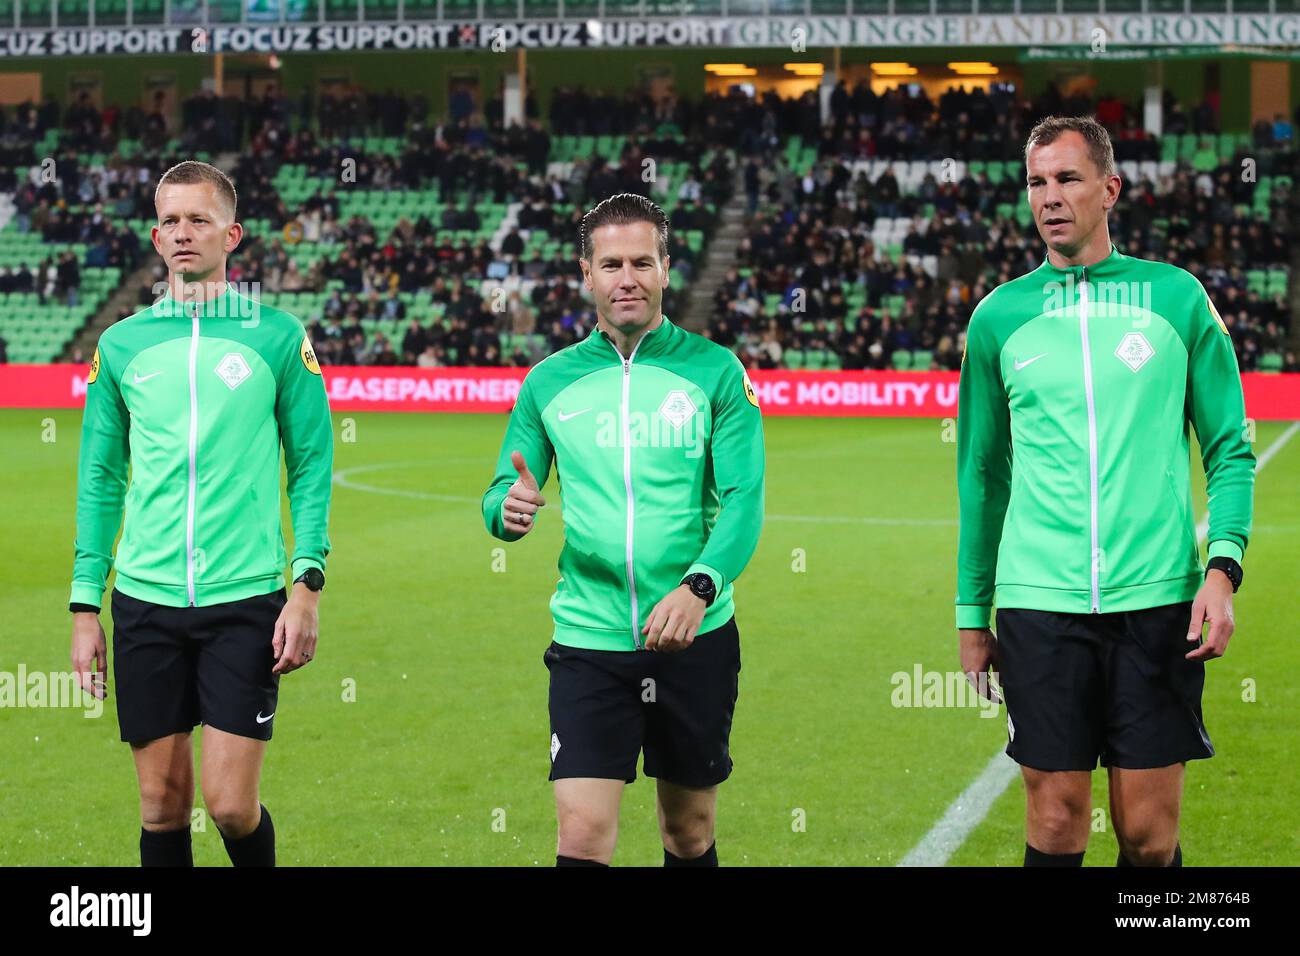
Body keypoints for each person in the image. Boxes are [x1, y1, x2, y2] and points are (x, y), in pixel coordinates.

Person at [955, 115, 1256, 867]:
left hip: (1158, 602)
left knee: (1148, 838)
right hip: (1041, 605)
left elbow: (1229, 450)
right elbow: (982, 474)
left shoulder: (1176, 301)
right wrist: (971, 611)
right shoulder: (998, 317)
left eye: (1067, 179)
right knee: (1055, 819)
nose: (1049, 197)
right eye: (1036, 182)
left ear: (1109, 189)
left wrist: (1222, 570)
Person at [481, 193, 765, 867]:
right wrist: (508, 510)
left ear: (666, 268)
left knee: (687, 832)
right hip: (589, 639)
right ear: (587, 274)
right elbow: (500, 491)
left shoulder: (716, 371)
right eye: (612, 264)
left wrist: (699, 587)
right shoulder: (549, 381)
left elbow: (745, 499)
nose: (627, 277)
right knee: (581, 836)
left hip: (693, 637)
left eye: (643, 261)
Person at [69, 160, 334, 867]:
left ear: (232, 234)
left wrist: (306, 584)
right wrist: (83, 605)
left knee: (229, 805)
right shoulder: (121, 346)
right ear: (155, 239)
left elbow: (310, 466)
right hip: (144, 602)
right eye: (171, 222)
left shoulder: (277, 337)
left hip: (244, 601)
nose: (183, 234)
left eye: (199, 220)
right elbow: (100, 477)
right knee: (160, 807)